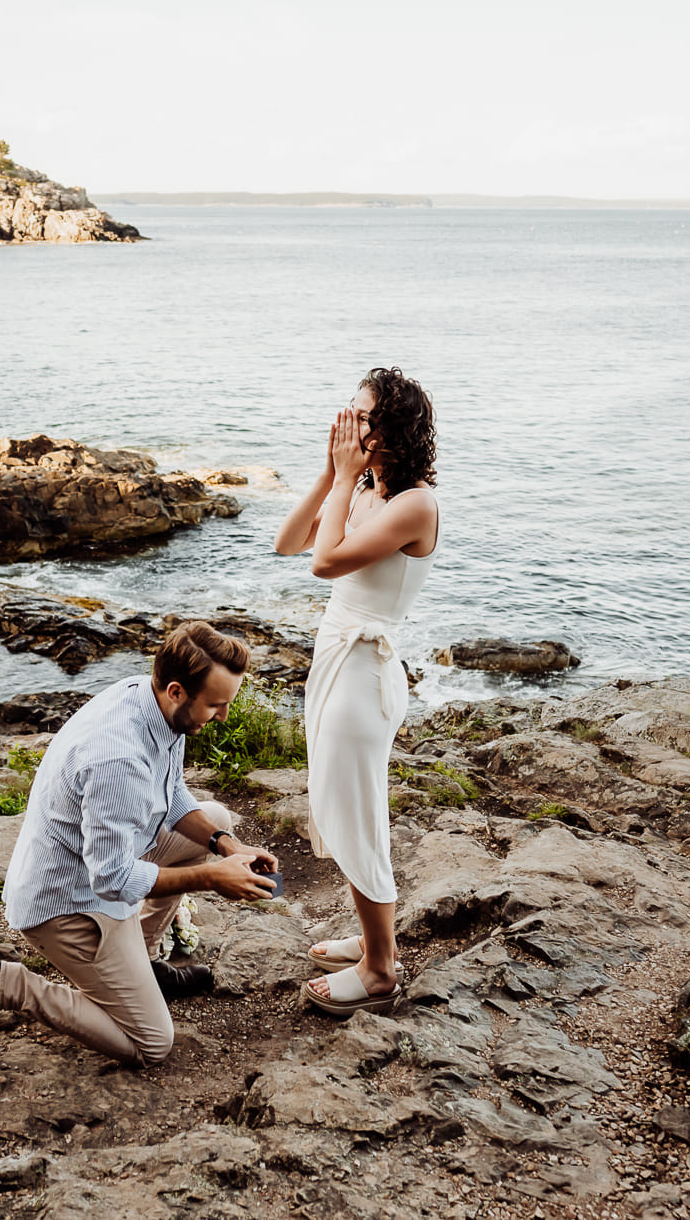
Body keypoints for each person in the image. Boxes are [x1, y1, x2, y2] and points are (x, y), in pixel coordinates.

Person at [0, 622, 280, 1066]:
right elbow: (112, 878)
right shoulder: (118, 758)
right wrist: (211, 878)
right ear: (177, 691)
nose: (222, 716)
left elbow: (171, 791)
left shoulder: (151, 699)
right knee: (151, 1044)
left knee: (215, 817)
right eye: (216, 705)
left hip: (97, 869)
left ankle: (141, 962)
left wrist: (225, 845)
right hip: (67, 905)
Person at [273, 367, 440, 1015]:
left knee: (358, 819)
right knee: (341, 808)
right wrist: (330, 473)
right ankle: (377, 942)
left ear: (391, 429)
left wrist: (345, 479)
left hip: (364, 674)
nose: (348, 422)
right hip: (336, 663)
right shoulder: (368, 491)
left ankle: (379, 969)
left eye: (360, 414)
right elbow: (292, 541)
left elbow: (326, 561)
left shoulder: (415, 505)